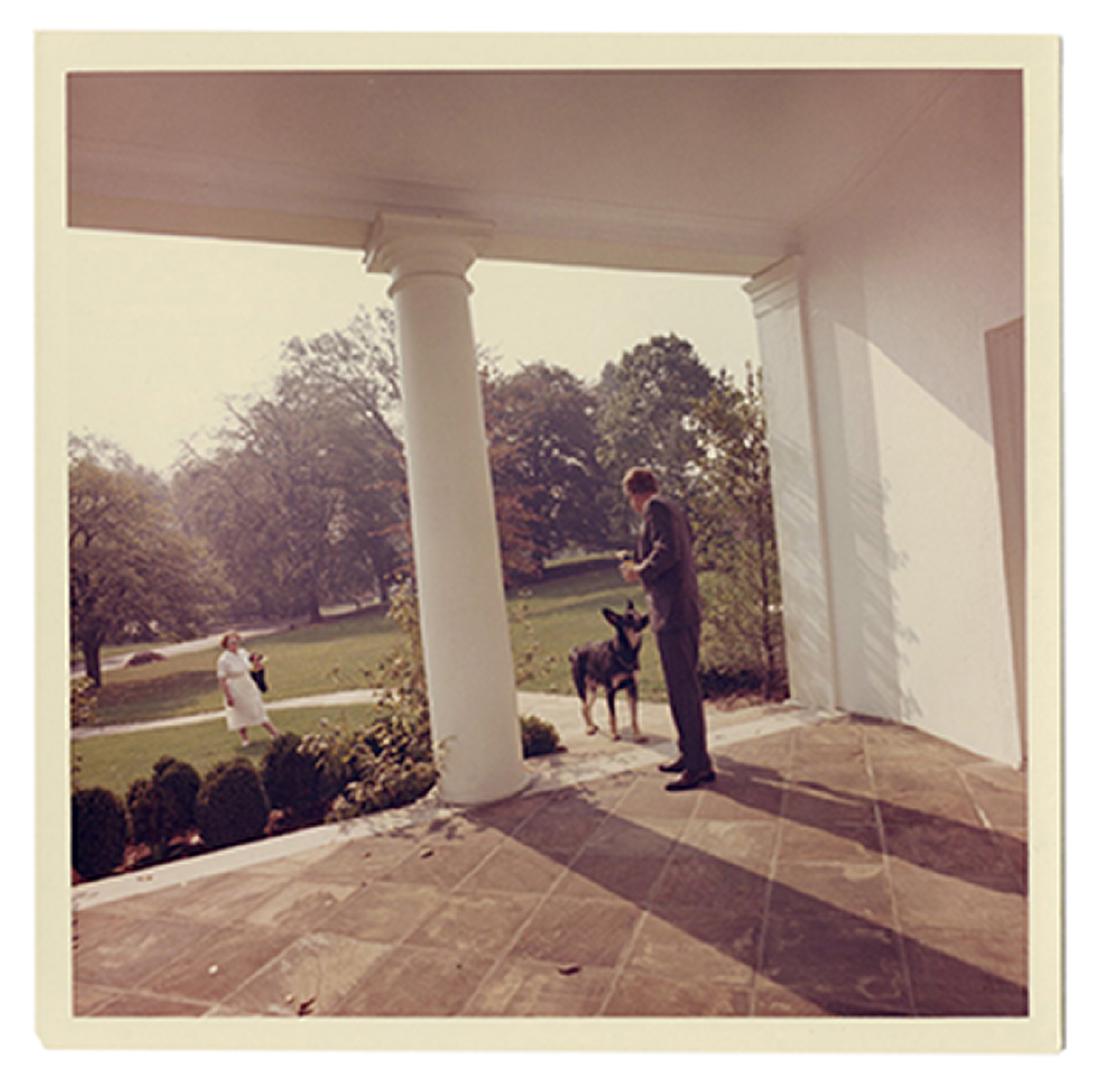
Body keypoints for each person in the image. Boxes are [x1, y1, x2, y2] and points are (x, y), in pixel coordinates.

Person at [618, 467, 715, 791]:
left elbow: (667, 551)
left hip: (673, 612)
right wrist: (639, 562)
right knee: (681, 688)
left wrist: (639, 571)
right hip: (681, 608)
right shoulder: (673, 508)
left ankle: (698, 767)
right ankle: (690, 755)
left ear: (633, 493)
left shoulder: (656, 508)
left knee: (683, 690)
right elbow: (678, 546)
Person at [216, 631, 279, 748]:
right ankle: (245, 739)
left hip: (247, 683)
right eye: (232, 642)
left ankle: (274, 732)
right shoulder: (223, 659)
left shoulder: (243, 653)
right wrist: (228, 696)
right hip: (234, 686)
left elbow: (252, 667)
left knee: (257, 708)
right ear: (226, 644)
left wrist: (257, 663)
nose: (234, 644)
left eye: (236, 642)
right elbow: (222, 679)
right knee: (239, 712)